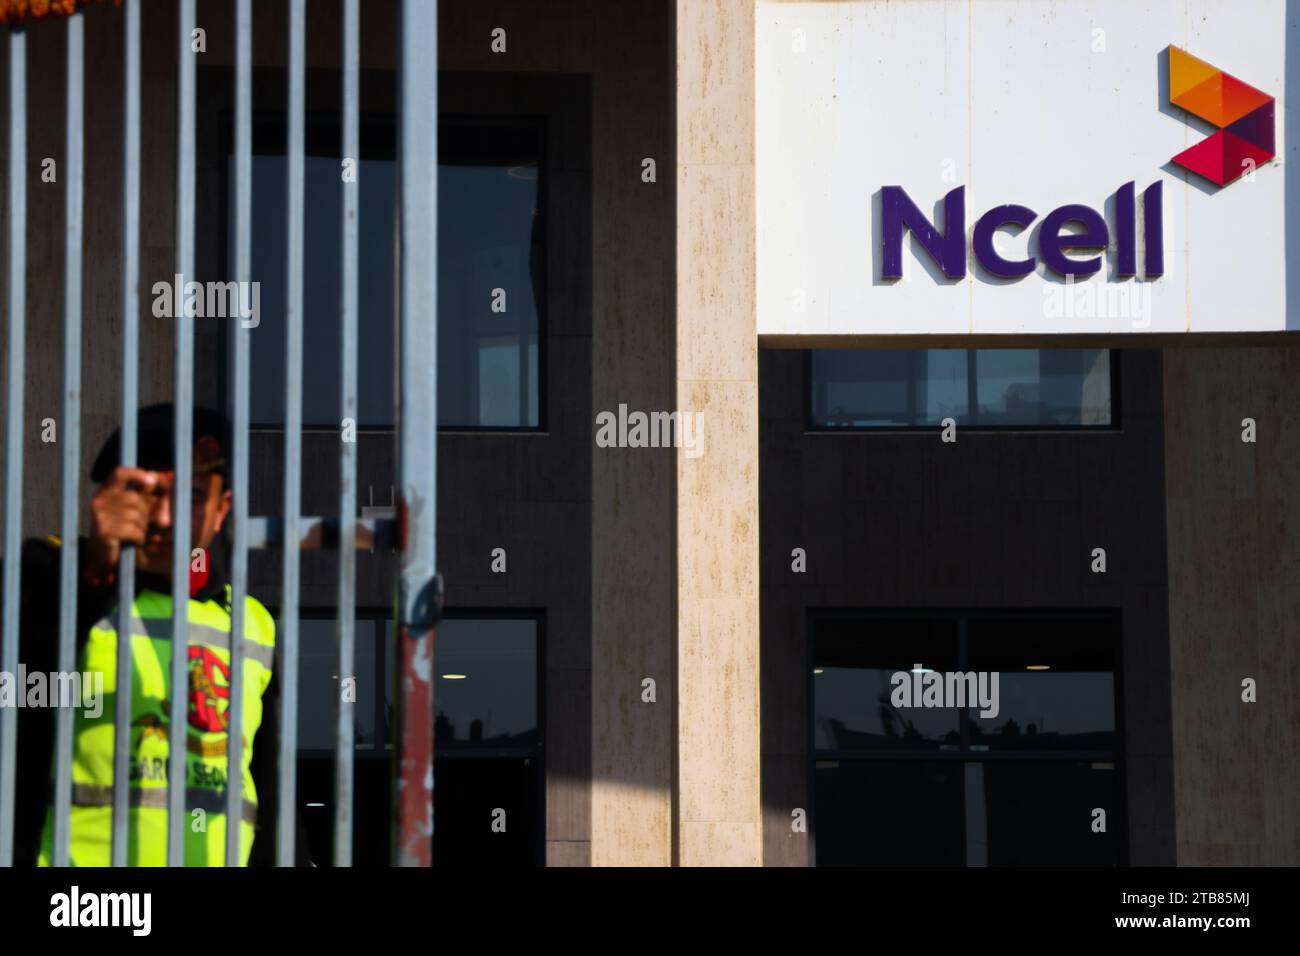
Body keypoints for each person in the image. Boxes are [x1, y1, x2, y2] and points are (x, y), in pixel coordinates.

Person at [11, 404, 310, 865]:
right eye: (145, 492)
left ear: (221, 509)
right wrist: (93, 576)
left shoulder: (253, 622)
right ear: (109, 495)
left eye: (191, 495)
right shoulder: (46, 577)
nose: (165, 517)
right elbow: (22, 688)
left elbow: (270, 795)